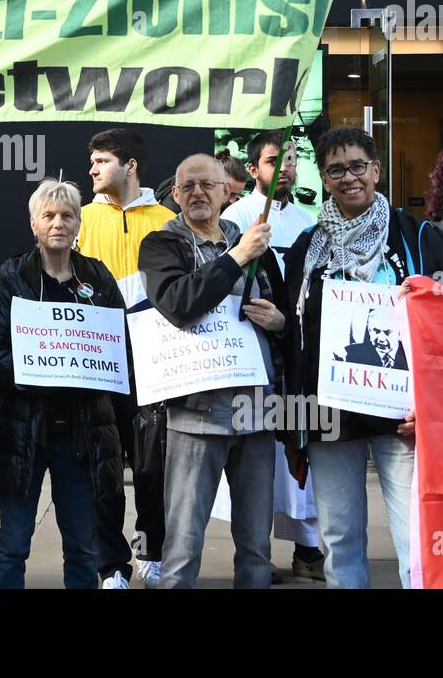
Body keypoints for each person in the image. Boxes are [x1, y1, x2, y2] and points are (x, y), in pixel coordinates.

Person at [281, 127, 443, 590]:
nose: (348, 177)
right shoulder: (306, 249)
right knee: (339, 540)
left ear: (376, 170)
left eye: (358, 166)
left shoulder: (418, 237)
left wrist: (436, 406)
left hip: (402, 415)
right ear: (324, 178)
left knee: (417, 540)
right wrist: (294, 423)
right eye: (336, 169)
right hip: (329, 415)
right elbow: (296, 336)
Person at [139, 153, 285, 589]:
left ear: (227, 191)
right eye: (189, 186)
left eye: (208, 184)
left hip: (255, 414)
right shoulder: (162, 244)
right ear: (177, 194)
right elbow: (179, 304)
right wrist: (236, 258)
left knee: (258, 547)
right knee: (182, 548)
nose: (198, 192)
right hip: (197, 417)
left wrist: (279, 322)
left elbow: (284, 315)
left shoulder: (253, 242)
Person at [0, 179, 124, 588]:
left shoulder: (98, 278)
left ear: (79, 223)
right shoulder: (13, 276)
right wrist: (41, 374)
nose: (58, 223)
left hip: (83, 434)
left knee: (83, 547)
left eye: (67, 215)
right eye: (49, 216)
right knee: (13, 543)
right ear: (34, 224)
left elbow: (118, 345)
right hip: (22, 431)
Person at [222, 129, 323, 582]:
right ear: (252, 169)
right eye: (272, 160)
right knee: (259, 466)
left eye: (291, 159)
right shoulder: (235, 217)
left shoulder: (307, 221)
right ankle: (257, 555)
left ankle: (308, 549)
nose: (284, 166)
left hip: (295, 351)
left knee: (302, 451)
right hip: (255, 354)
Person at [77, 128, 174, 589]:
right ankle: (111, 565)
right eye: (91, 162)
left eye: (101, 161)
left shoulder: (168, 218)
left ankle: (151, 549)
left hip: (155, 363)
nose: (92, 169)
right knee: (105, 465)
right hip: (99, 363)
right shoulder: (77, 218)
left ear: (130, 165)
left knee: (153, 464)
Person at [342, 306, 408, 370]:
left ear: (400, 332)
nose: (381, 339)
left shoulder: (411, 356)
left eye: (388, 332)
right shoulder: (350, 354)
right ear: (369, 330)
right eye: (376, 331)